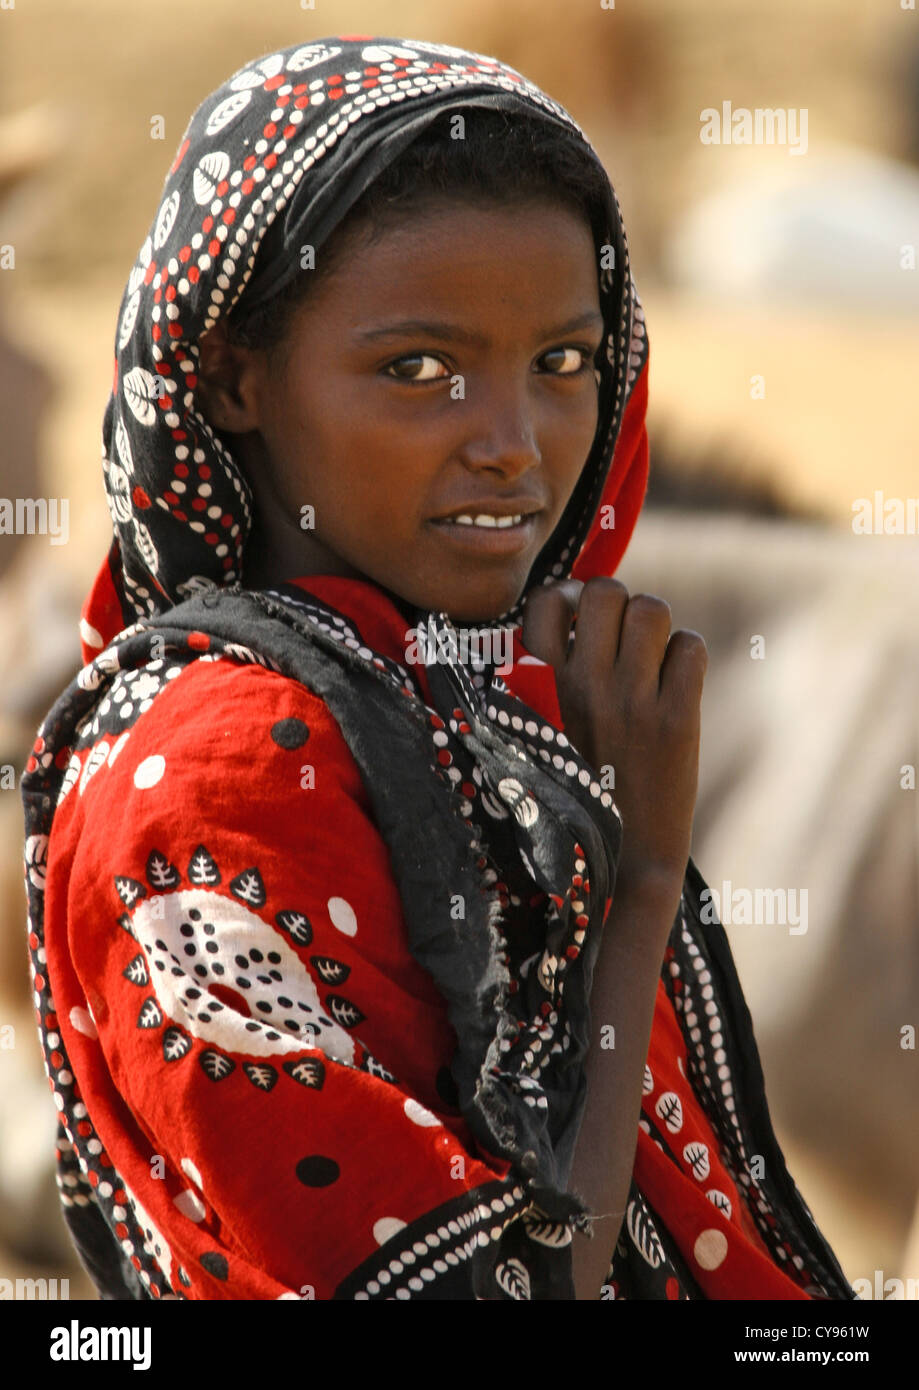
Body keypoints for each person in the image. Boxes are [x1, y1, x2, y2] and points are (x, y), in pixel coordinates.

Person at [20, 34, 854, 1301]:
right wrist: (636, 885)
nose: (514, 449)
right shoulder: (210, 775)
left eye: (562, 364)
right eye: (419, 370)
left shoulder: (449, 711)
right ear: (234, 377)